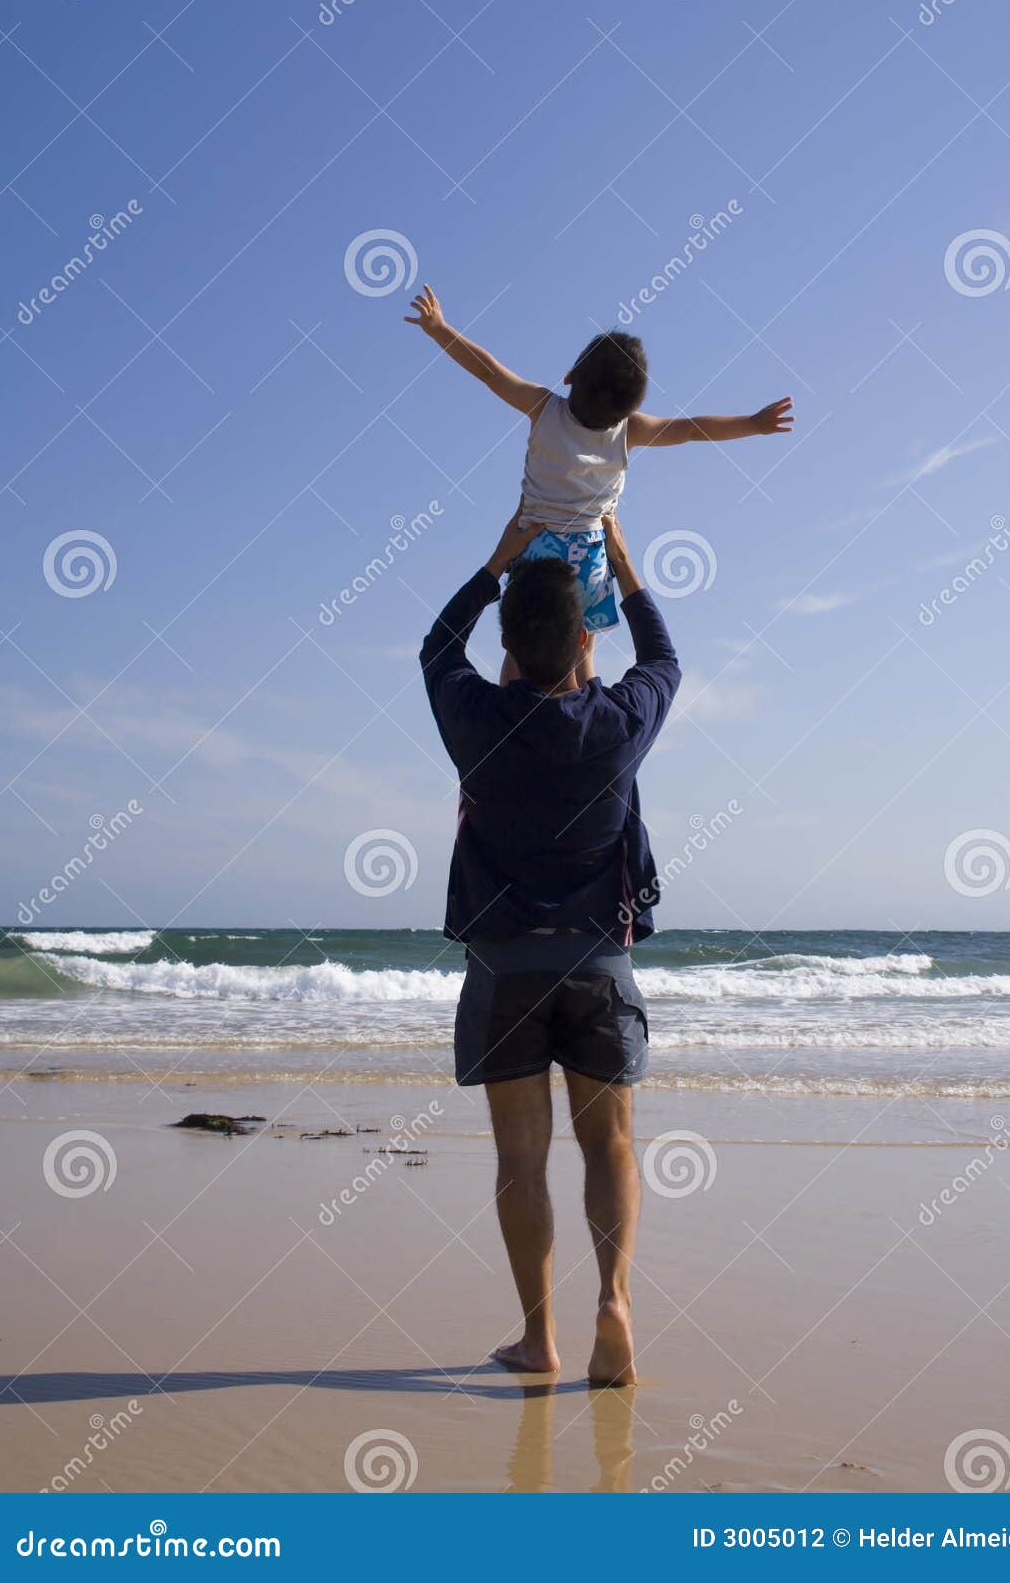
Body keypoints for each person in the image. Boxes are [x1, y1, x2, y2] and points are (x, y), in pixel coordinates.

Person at [420, 508, 681, 1385]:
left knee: (520, 1158)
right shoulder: (615, 726)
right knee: (609, 1145)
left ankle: (538, 1338)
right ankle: (614, 1300)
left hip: (506, 968)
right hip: (598, 965)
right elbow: (664, 661)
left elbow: (436, 646)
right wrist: (624, 568)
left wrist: (497, 559)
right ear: (583, 638)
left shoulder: (473, 717)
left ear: (507, 640)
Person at [406, 282, 792, 682]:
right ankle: (585, 713)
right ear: (632, 406)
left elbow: (488, 372)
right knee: (583, 645)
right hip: (591, 556)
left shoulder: (543, 407)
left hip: (534, 546)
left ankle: (512, 715)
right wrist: (753, 424)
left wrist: (439, 329)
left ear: (571, 376)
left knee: (524, 648)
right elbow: (692, 429)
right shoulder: (631, 430)